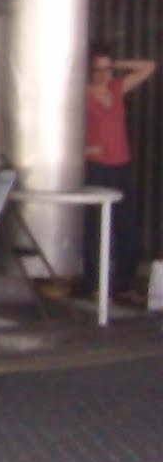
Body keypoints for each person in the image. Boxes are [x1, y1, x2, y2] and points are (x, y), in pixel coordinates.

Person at [80, 42, 155, 303]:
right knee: (96, 227)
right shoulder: (83, 95)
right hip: (97, 167)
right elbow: (65, 134)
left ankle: (123, 283)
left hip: (121, 166)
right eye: (98, 70)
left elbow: (150, 67)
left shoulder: (116, 88)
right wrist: (87, 150)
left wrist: (118, 65)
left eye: (106, 69)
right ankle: (94, 283)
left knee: (127, 227)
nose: (103, 75)